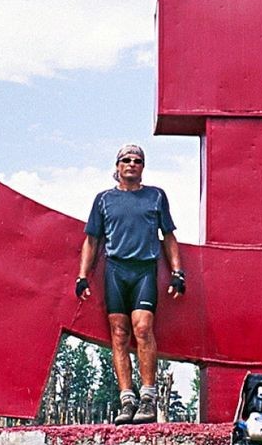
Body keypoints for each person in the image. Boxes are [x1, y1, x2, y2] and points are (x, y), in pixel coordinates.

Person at [76, 144, 184, 425]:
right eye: (126, 160)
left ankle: (148, 398)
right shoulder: (103, 200)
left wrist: (177, 272)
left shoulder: (156, 196)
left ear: (143, 167)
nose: (132, 164)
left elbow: (169, 236)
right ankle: (127, 400)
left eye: (137, 160)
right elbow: (92, 240)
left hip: (144, 270)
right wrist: (82, 276)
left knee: (143, 328)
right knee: (120, 333)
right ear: (118, 166)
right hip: (115, 270)